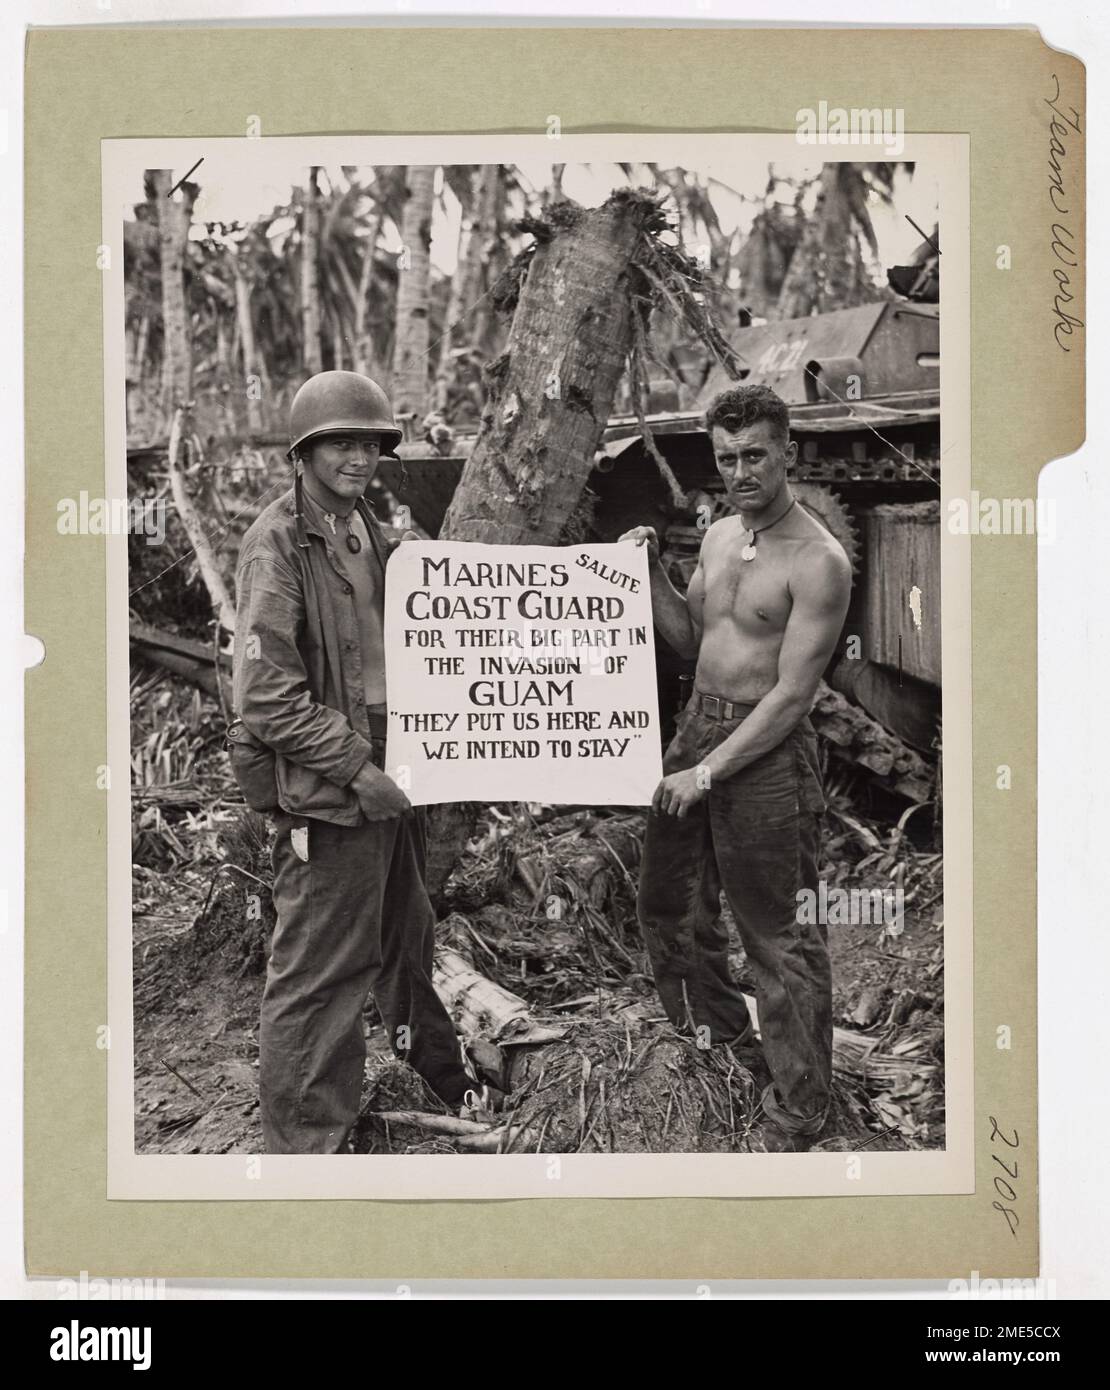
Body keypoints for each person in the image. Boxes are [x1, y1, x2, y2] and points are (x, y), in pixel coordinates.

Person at [229, 370, 488, 1153]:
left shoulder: (361, 524)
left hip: (386, 759)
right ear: (305, 452)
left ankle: (442, 1083)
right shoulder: (274, 545)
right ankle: (306, 1155)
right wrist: (357, 769)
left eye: (370, 443)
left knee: (405, 936)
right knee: (319, 976)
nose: (358, 457)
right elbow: (267, 699)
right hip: (329, 788)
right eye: (340, 442)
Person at [621, 383, 852, 1151]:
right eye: (727, 458)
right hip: (698, 735)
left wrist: (709, 771)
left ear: (787, 450)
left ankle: (801, 1106)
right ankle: (725, 1048)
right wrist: (645, 573)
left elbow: (791, 696)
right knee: (671, 908)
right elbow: (690, 640)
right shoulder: (720, 536)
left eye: (755, 455)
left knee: (778, 936)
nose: (741, 471)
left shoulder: (818, 559)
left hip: (765, 757)